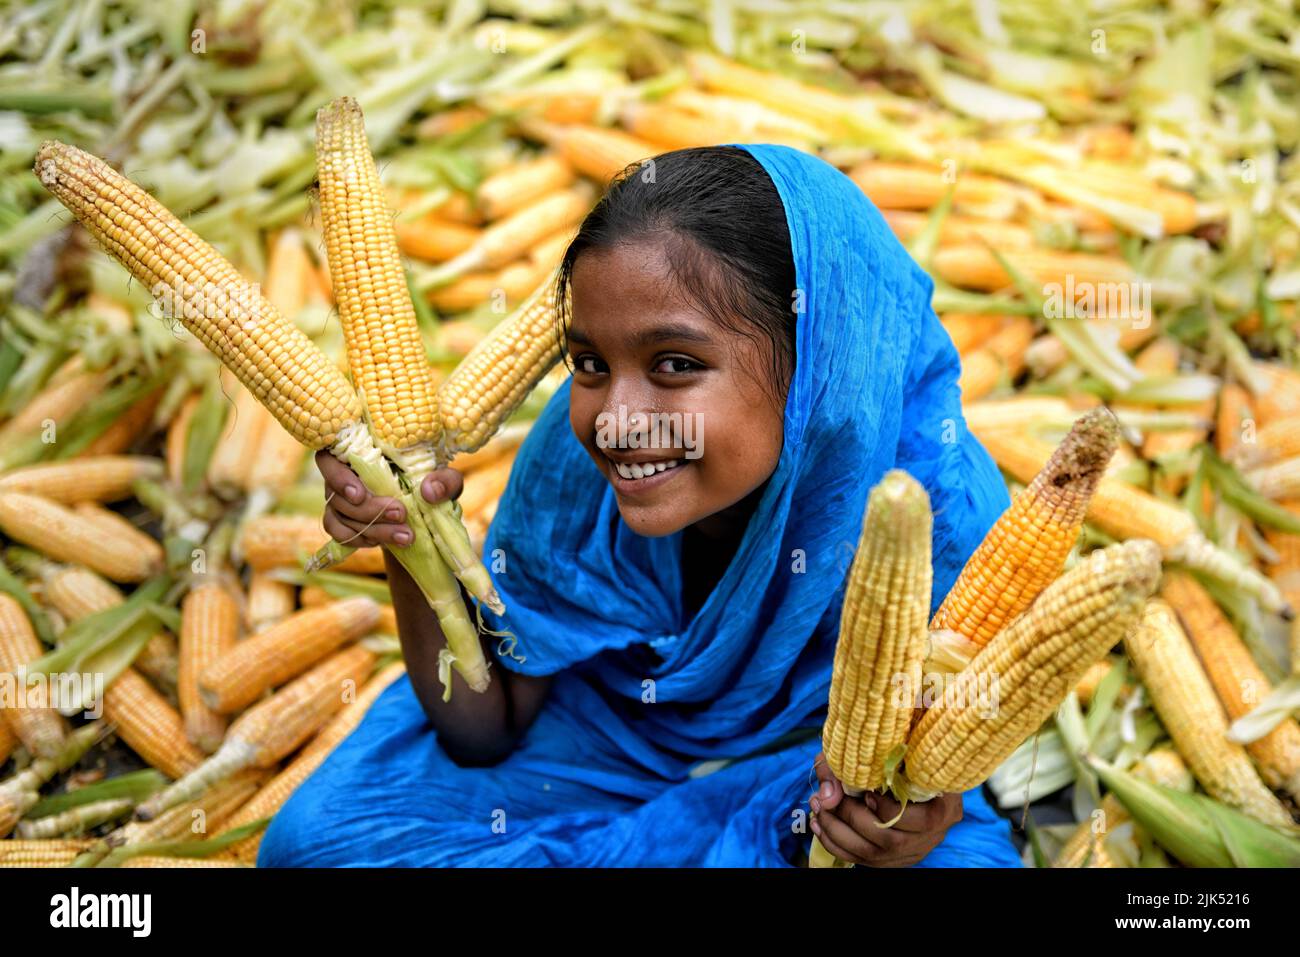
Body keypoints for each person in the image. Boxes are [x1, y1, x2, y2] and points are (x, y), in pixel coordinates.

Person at [257, 144, 1022, 867]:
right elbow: (484, 730)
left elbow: (931, 780)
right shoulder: (571, 466)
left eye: (675, 364)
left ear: (825, 362)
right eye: (590, 361)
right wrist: (407, 537)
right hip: (609, 740)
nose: (614, 419)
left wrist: (911, 823)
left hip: (814, 798)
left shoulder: (945, 525)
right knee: (317, 842)